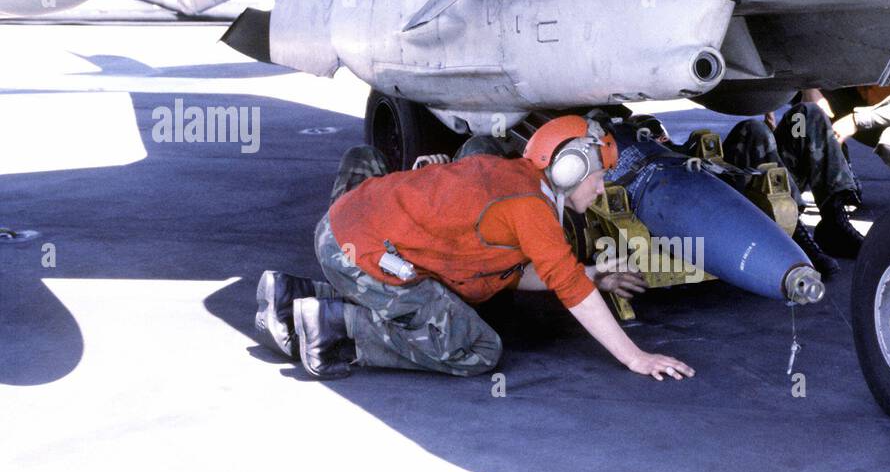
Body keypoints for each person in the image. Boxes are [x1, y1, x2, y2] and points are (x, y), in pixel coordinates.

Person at [254, 115, 695, 381]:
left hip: (344, 225)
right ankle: (335, 326)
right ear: (570, 169)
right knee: (476, 349)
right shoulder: (531, 208)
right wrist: (636, 357)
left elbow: (516, 273)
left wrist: (594, 275)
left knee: (442, 295)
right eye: (599, 180)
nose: (600, 192)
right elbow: (569, 290)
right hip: (358, 254)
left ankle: (292, 295)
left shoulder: (515, 178)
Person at [712, 103, 865, 270]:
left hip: (771, 175)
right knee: (753, 129)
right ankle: (792, 228)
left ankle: (834, 220)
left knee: (807, 114)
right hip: (734, 181)